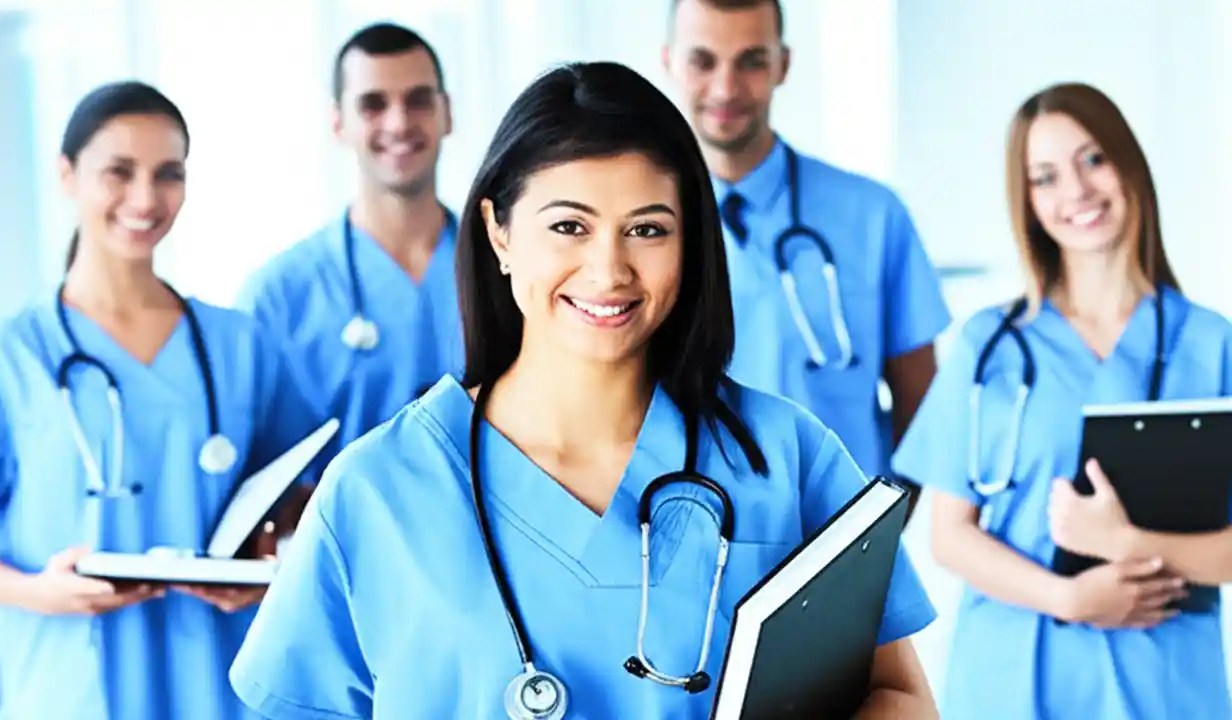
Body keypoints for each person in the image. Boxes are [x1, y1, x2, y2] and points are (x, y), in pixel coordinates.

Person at [228, 61, 938, 720]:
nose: (608, 271)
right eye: (569, 226)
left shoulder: (787, 458)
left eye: (648, 230)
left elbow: (900, 694)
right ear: (498, 233)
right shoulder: (376, 489)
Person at [0, 81, 326, 720]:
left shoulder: (238, 344)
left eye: (168, 174)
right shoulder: (12, 354)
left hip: (219, 682)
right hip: (69, 689)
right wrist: (40, 592)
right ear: (67, 175)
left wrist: (269, 557)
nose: (145, 198)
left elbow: (302, 500)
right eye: (118, 172)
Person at [891, 82, 1232, 719]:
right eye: (1045, 176)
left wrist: (1126, 541)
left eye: (1093, 159)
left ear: (1130, 165)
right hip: (1012, 676)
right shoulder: (989, 343)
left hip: (1160, 678)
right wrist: (1069, 599)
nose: (1075, 191)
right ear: (1027, 200)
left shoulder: (1211, 344)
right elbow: (950, 537)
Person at [661, 0, 951, 507]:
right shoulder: (636, 223)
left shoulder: (872, 215)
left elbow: (922, 410)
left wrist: (878, 531)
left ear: (783, 65)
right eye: (703, 61)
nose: (727, 88)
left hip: (839, 529)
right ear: (669, 61)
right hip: (690, 531)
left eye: (752, 60)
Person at [234, 22, 461, 454]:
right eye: (373, 105)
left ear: (446, 112)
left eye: (418, 101)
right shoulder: (279, 296)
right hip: (341, 523)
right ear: (338, 123)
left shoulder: (508, 266)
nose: (399, 122)